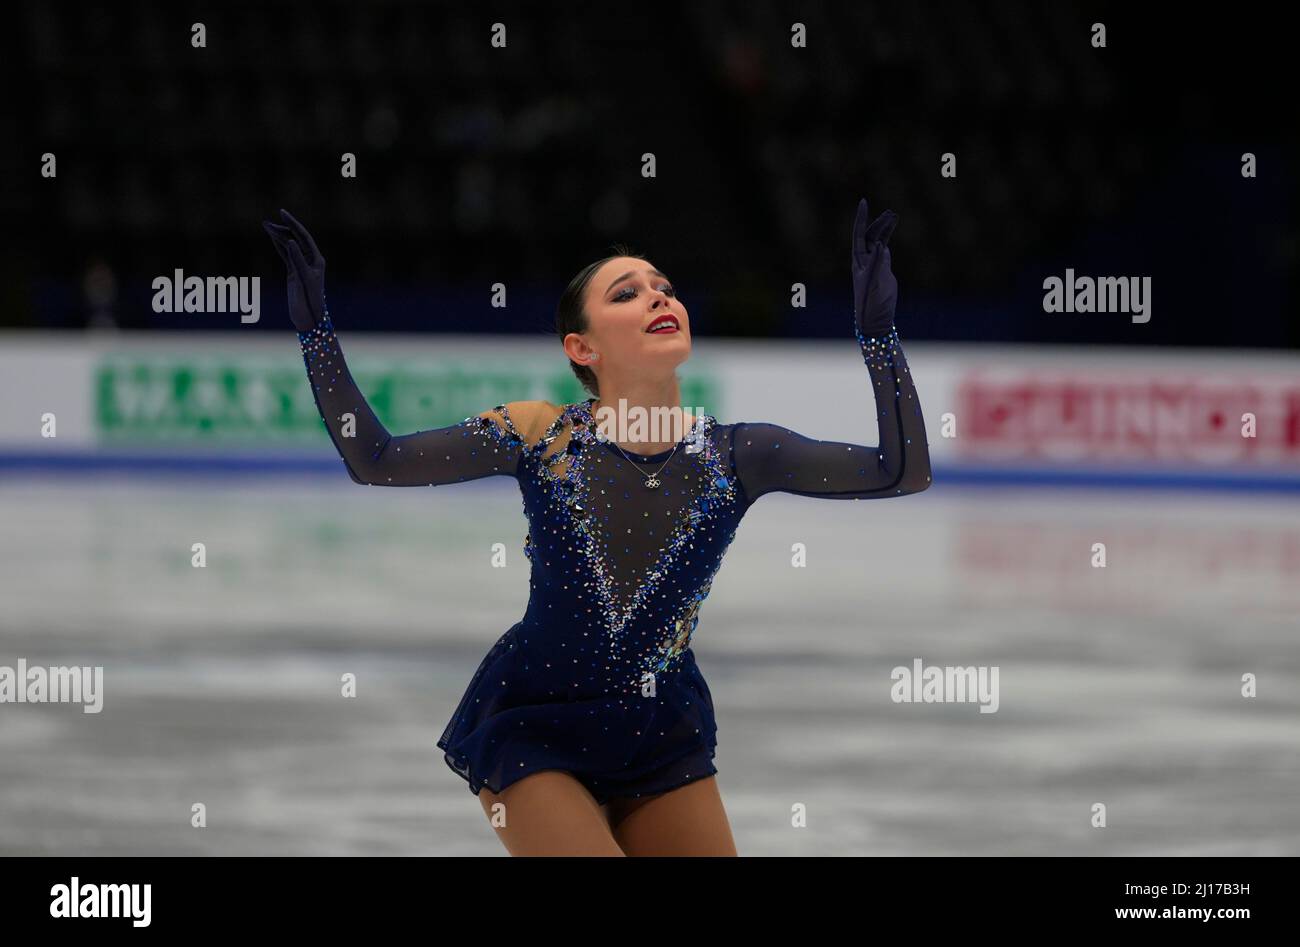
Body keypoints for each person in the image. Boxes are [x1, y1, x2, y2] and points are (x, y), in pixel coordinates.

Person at [263, 199, 931, 856]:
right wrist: (316, 332)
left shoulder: (740, 453)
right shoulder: (539, 435)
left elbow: (900, 473)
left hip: (656, 726)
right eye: (628, 293)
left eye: (665, 289)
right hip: (533, 726)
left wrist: (878, 337)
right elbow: (376, 459)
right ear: (581, 346)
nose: (658, 298)